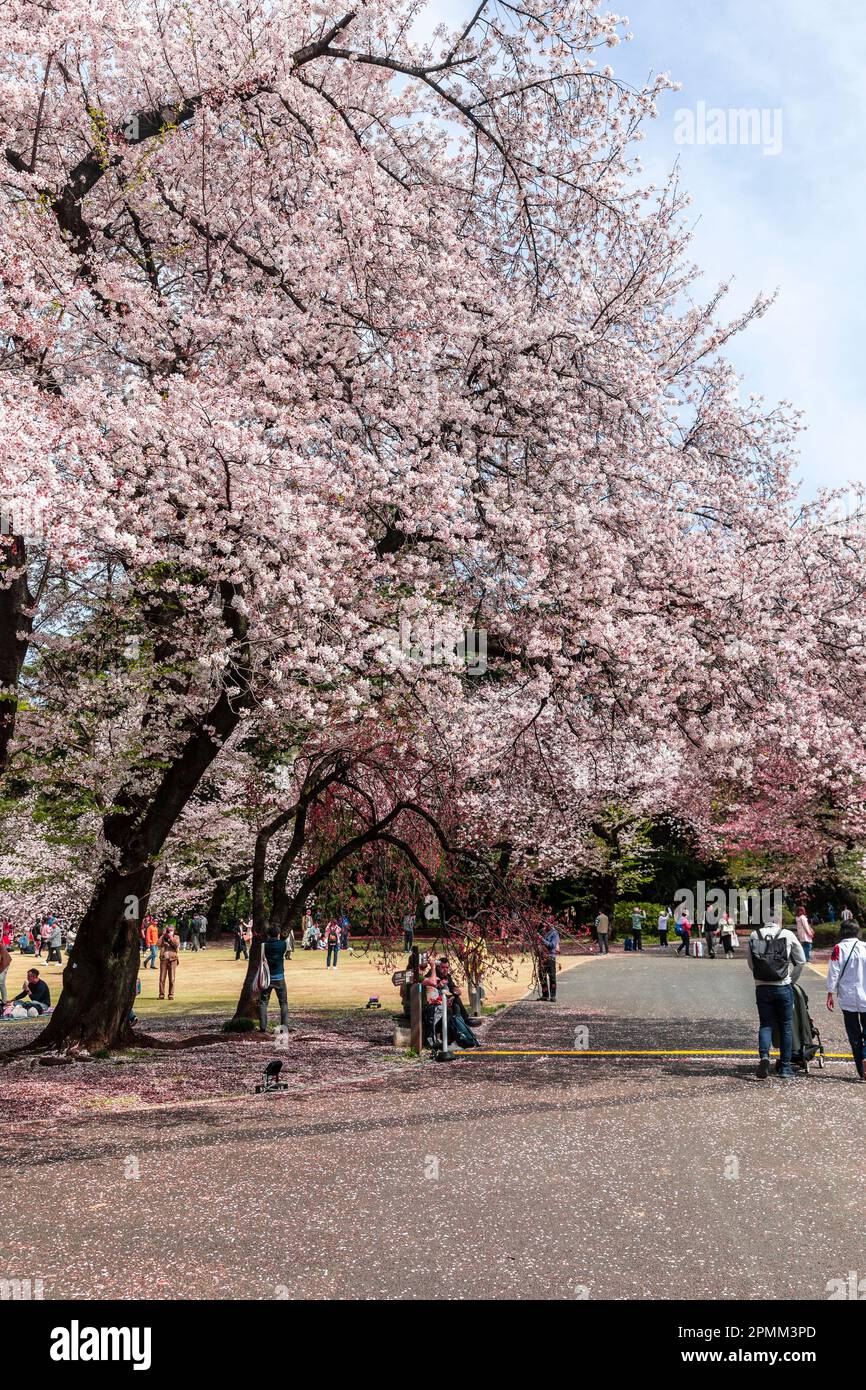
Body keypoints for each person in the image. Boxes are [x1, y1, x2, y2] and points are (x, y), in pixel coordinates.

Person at [747, 914, 805, 1080]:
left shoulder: (754, 935)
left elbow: (751, 963)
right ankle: (785, 1067)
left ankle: (764, 1056)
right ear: (779, 920)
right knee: (786, 1025)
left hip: (762, 987)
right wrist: (790, 980)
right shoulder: (787, 934)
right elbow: (801, 961)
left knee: (765, 1024)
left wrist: (761, 976)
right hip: (782, 986)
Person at [826, 920, 866, 1081]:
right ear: (858, 932)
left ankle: (860, 1067)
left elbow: (833, 972)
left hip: (848, 997)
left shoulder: (838, 948)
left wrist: (829, 992)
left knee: (854, 1033)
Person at [259, 926, 289, 1033]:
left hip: (267, 978)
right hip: (279, 977)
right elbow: (285, 941)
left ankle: (263, 1027)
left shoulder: (264, 946)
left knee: (263, 1002)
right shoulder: (282, 944)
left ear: (268, 934)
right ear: (278, 934)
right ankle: (284, 1027)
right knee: (283, 1003)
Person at [158, 924, 180, 1001]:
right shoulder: (163, 937)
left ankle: (171, 995)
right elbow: (158, 944)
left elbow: (176, 945)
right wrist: (163, 936)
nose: (170, 931)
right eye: (168, 930)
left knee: (172, 978)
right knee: (162, 978)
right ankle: (161, 994)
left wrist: (171, 937)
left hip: (173, 959)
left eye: (171, 930)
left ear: (174, 930)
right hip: (164, 959)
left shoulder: (176, 937)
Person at [539, 923, 560, 1000]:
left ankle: (553, 996)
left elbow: (552, 945)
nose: (544, 925)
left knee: (552, 977)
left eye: (546, 923)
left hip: (551, 957)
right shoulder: (542, 931)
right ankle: (545, 995)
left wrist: (542, 940)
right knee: (542, 976)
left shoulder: (554, 933)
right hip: (542, 957)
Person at [0, 937, 10, 1005]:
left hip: (4, 963)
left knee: (1, 982)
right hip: (2, 962)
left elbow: (1, 959)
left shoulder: (0, 946)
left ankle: (5, 1001)